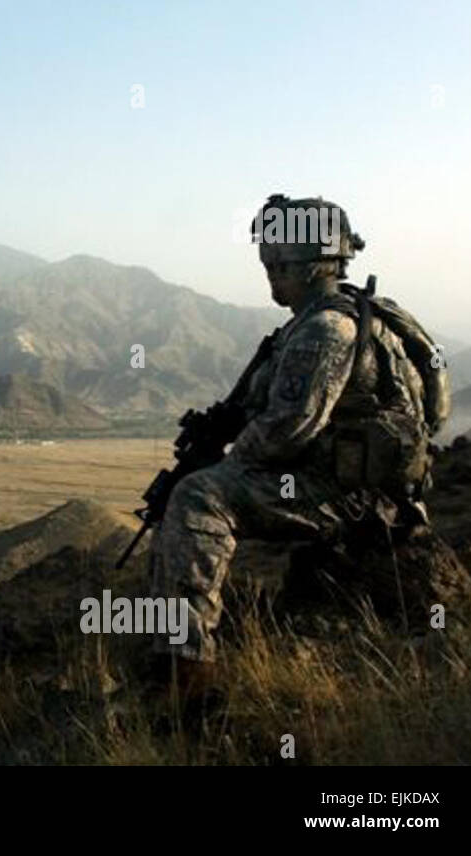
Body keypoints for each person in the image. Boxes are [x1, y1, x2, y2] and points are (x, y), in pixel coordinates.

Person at [147, 194, 445, 693]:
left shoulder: (325, 330)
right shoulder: (335, 318)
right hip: (354, 486)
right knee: (194, 489)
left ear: (315, 265)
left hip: (350, 498)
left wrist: (225, 458)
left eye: (279, 261)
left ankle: (187, 676)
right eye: (267, 259)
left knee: (200, 498)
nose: (270, 272)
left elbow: (287, 430)